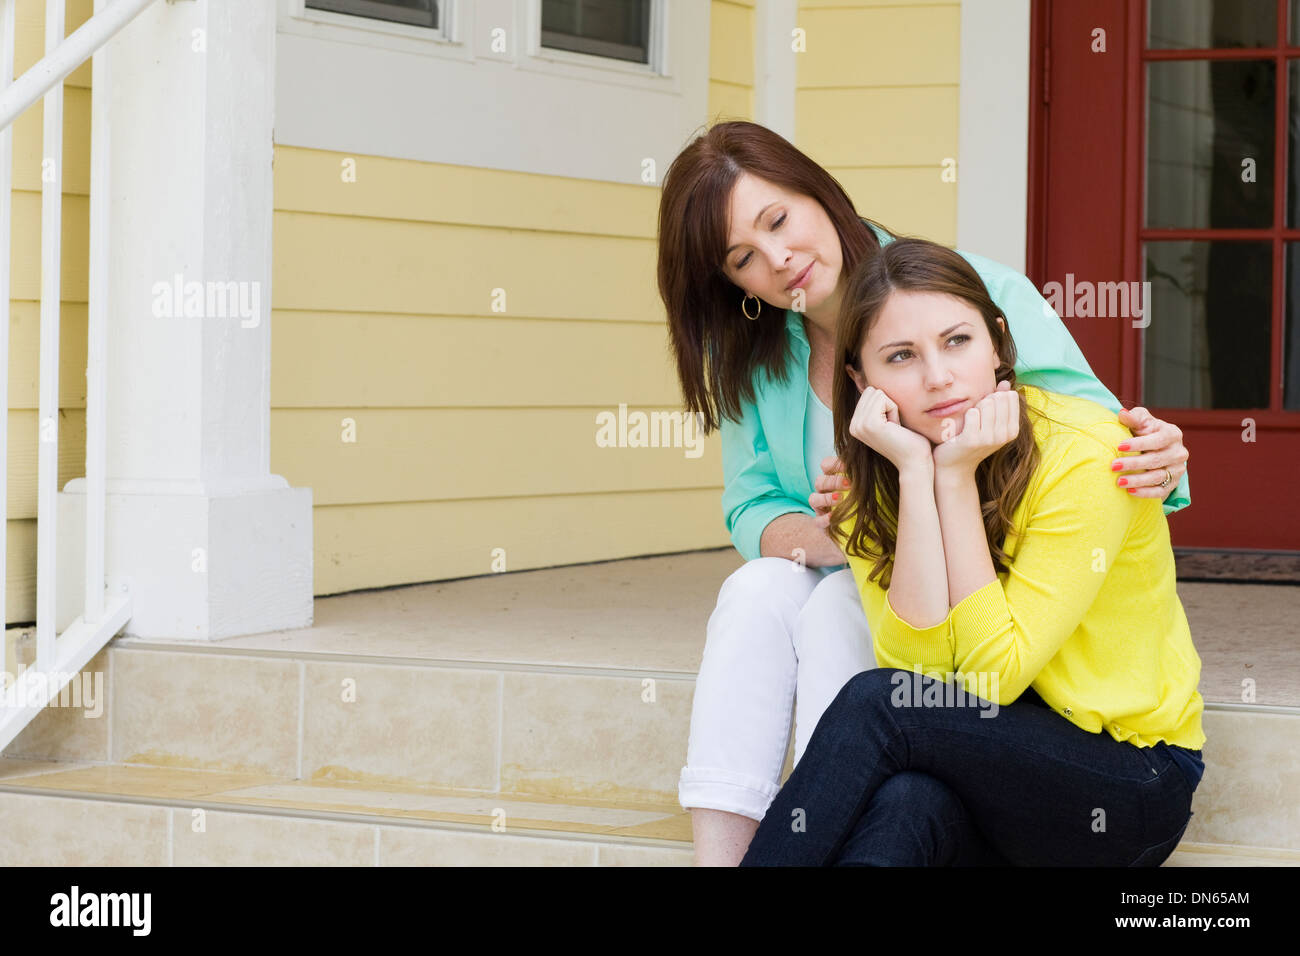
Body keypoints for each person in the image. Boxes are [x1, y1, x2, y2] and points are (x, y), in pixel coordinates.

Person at [655, 120, 1192, 866]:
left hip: (1090, 730)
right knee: (768, 605)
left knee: (878, 697)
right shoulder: (776, 372)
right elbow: (753, 510)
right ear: (862, 385)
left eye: (778, 221)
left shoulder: (968, 292)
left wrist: (1157, 460)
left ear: (997, 343)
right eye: (743, 258)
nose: (777, 261)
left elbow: (1100, 437)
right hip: (920, 621)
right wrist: (872, 516)